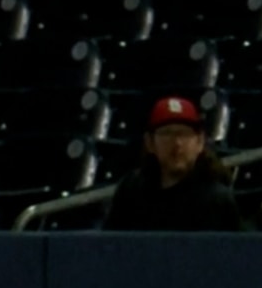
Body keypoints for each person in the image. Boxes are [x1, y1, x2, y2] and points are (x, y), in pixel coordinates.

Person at [102, 97, 246, 232]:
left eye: (184, 134)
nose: (177, 143)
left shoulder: (216, 200)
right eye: (167, 134)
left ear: (200, 142)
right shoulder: (132, 189)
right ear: (150, 143)